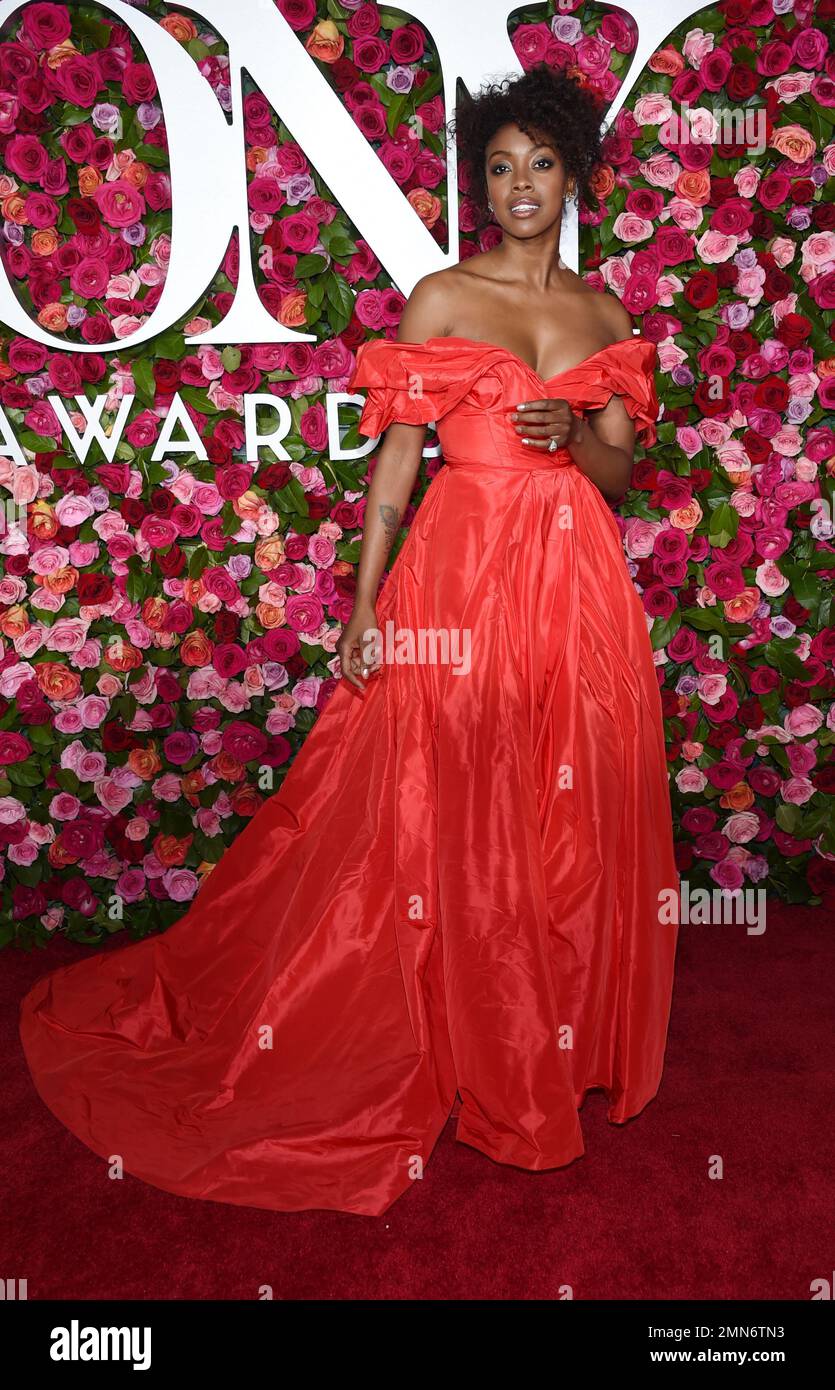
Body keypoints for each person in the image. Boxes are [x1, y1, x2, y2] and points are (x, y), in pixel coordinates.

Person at [18, 64, 679, 1219]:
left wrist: (573, 427)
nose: (519, 185)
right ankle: (462, 1032)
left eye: (539, 164)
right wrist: (366, 609)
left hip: (575, 584)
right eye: (498, 167)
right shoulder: (438, 296)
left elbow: (620, 473)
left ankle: (549, 1043)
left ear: (572, 177)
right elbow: (394, 468)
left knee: (570, 807)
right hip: (460, 576)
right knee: (457, 808)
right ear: (480, 185)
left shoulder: (605, 316)